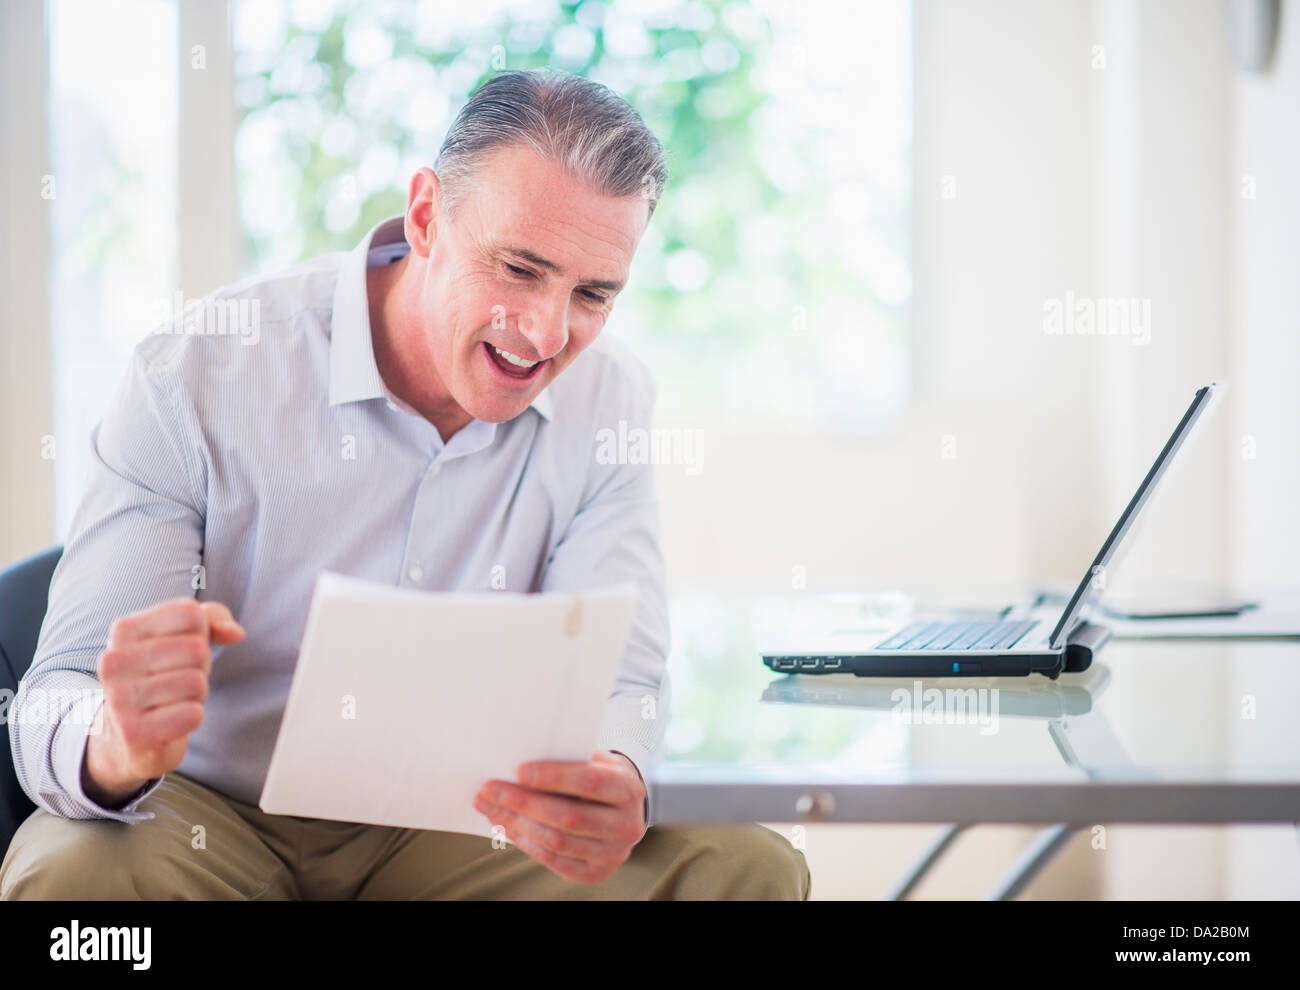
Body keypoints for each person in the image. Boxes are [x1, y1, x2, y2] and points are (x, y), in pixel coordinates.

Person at [1, 69, 810, 900]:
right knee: (73, 871)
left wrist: (616, 776)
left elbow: (625, 681)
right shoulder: (199, 373)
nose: (545, 333)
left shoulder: (610, 399)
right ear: (426, 218)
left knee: (741, 862)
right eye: (519, 269)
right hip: (204, 815)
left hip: (464, 825)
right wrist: (115, 745)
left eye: (593, 292)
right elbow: (50, 698)